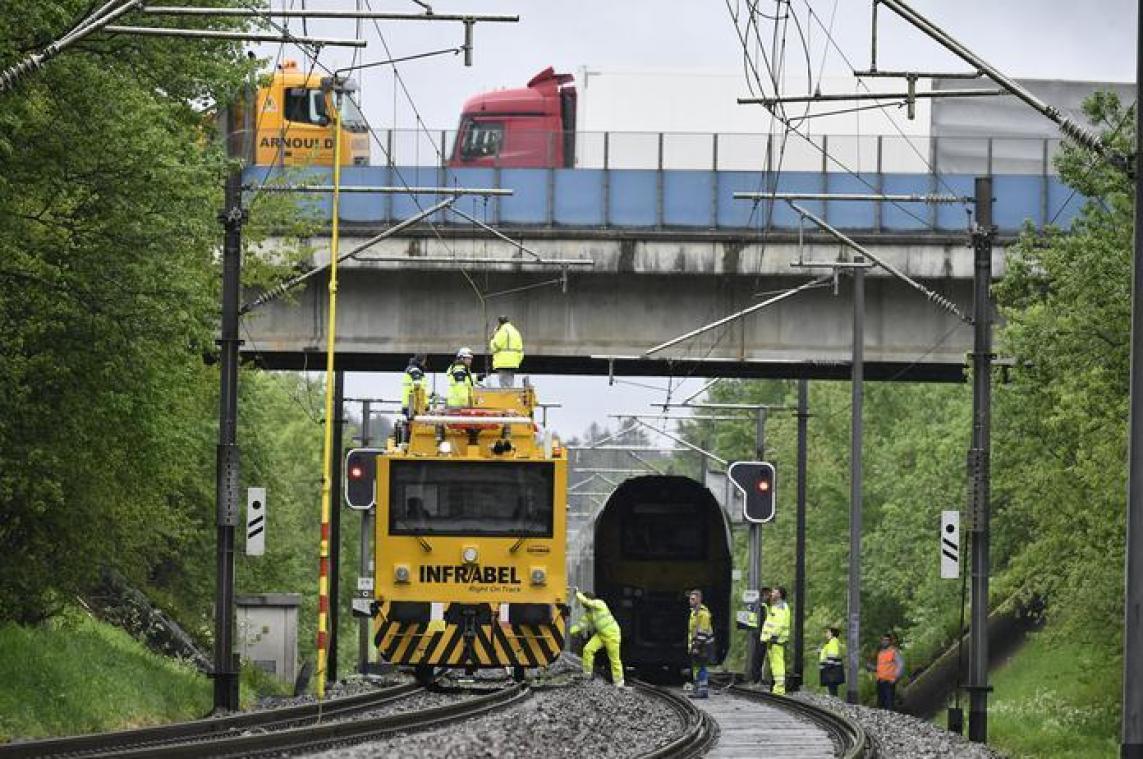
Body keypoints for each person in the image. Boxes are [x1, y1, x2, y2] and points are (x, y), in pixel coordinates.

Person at [569, 588, 624, 687]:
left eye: (584, 603)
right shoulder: (589, 613)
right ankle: (587, 675)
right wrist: (568, 632)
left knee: (614, 659)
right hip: (601, 635)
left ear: (589, 599)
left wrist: (577, 594)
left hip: (612, 635)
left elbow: (586, 602)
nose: (583, 605)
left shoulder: (599, 603)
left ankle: (619, 682)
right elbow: (581, 625)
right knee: (587, 650)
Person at [760, 586, 790, 695]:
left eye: (774, 592)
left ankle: (780, 689)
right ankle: (777, 688)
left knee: (778, 664)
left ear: (780, 594)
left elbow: (780, 624)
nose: (772, 593)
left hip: (776, 640)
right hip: (772, 640)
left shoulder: (781, 607)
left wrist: (773, 636)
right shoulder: (775, 606)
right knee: (774, 664)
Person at [687, 589, 715, 699]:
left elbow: (702, 632)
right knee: (696, 668)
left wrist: (697, 646)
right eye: (690, 599)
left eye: (693, 599)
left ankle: (703, 691)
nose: (690, 601)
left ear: (699, 599)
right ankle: (697, 689)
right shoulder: (694, 613)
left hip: (703, 645)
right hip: (696, 644)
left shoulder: (703, 614)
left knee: (701, 667)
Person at [489, 315, 524, 388]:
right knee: (509, 385)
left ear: (499, 323)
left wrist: (493, 338)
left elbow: (495, 347)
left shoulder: (502, 331)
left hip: (503, 362)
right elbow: (520, 350)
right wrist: (517, 361)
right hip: (513, 363)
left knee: (505, 388)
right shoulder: (516, 332)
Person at [874, 633, 905, 710]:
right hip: (880, 681)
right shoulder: (880, 653)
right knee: (880, 704)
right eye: (883, 640)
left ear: (890, 641)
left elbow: (900, 664)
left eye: (886, 640)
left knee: (889, 703)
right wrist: (873, 669)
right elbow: (881, 667)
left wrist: (896, 677)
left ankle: (890, 719)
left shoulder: (894, 652)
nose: (884, 642)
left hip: (889, 681)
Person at [818, 626, 845, 697]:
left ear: (832, 633)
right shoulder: (832, 643)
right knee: (832, 690)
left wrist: (827, 667)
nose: (826, 634)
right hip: (832, 670)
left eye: (828, 632)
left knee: (832, 691)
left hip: (832, 670)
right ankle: (834, 703)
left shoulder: (833, 642)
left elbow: (832, 656)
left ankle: (834, 704)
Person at [400, 354, 428, 418]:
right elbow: (417, 388)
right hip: (413, 406)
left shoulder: (411, 369)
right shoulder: (415, 371)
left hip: (409, 405)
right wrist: (423, 406)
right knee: (417, 426)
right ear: (423, 361)